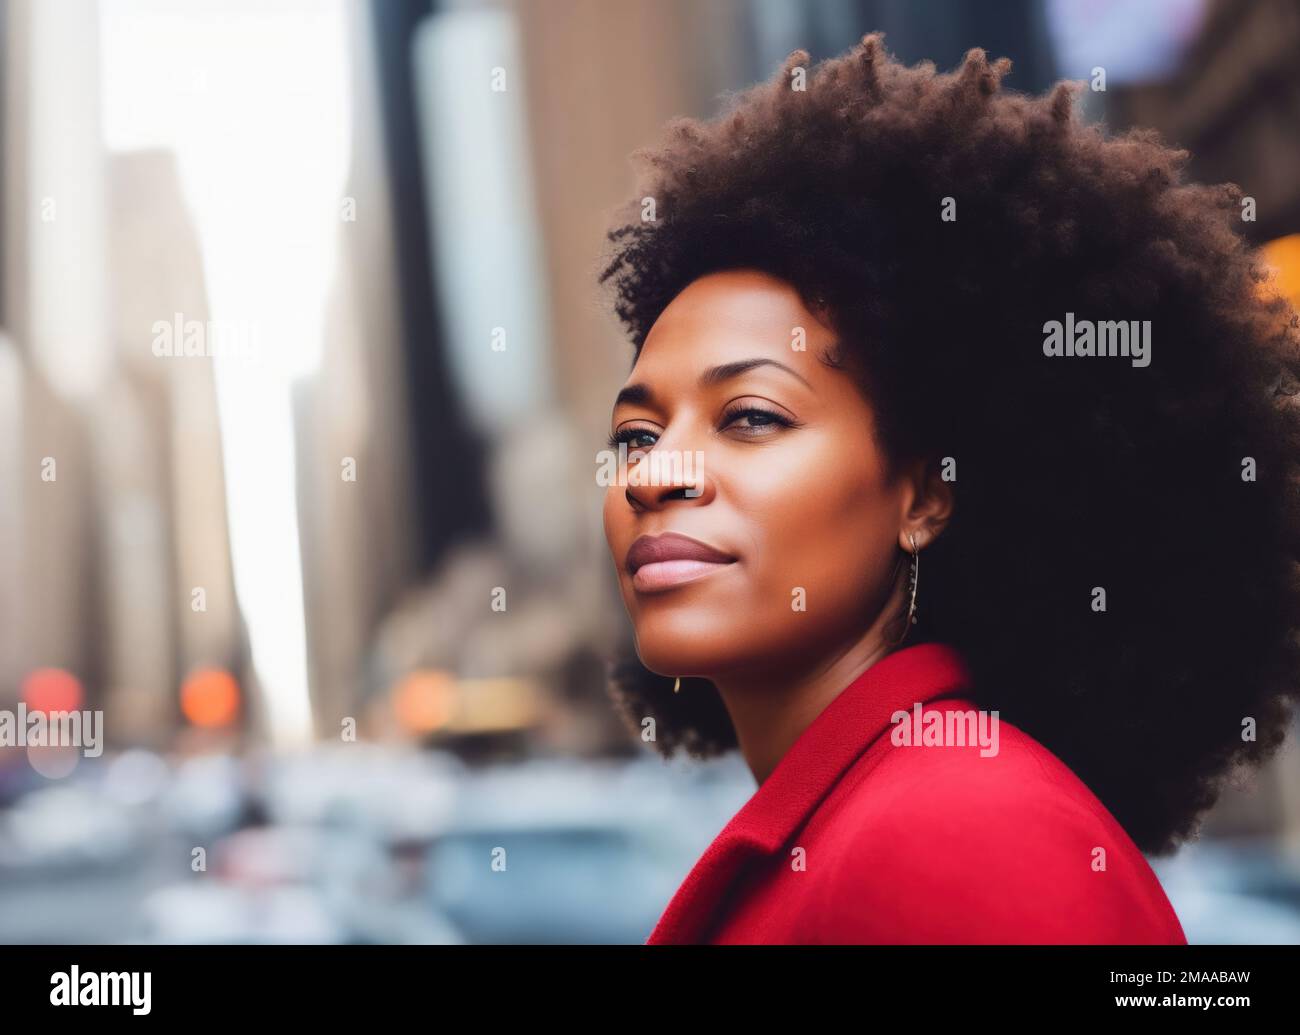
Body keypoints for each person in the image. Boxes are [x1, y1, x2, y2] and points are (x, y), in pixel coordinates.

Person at [596, 34, 1300, 944]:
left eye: (751, 416)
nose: (656, 474)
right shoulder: (881, 812)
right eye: (635, 435)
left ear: (925, 495)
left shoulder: (959, 836)